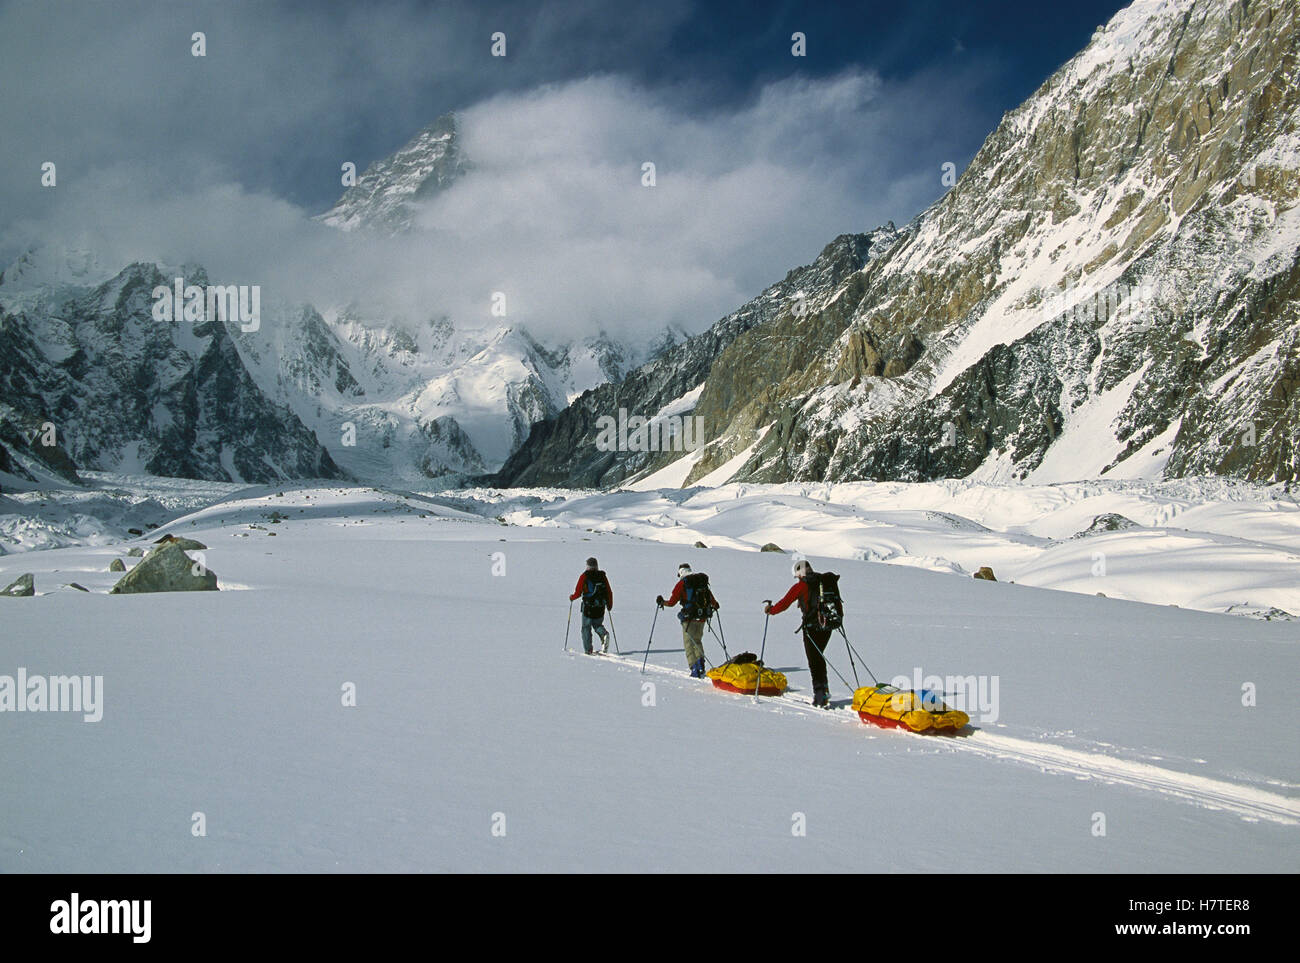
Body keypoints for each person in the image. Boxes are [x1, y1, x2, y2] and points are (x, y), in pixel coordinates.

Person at [764, 559, 833, 708]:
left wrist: (772, 610)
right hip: (827, 626)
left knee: (814, 660)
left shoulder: (802, 586)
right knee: (818, 657)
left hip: (812, 627)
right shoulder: (823, 582)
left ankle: (820, 695)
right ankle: (824, 690)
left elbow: (785, 602)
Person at [656, 563, 718, 678]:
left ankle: (694, 669)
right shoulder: (700, 581)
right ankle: (701, 665)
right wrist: (714, 605)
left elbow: (672, 602)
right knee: (697, 640)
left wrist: (662, 602)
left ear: (680, 572)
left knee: (689, 643)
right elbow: (712, 599)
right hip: (702, 617)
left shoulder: (682, 584)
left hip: (689, 618)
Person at [570, 557, 612, 654]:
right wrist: (609, 605)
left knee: (586, 628)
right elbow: (609, 591)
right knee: (597, 624)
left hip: (588, 607)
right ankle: (604, 634)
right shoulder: (602, 576)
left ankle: (588, 650)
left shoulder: (584, 576)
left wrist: (572, 597)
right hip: (600, 607)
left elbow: (578, 592)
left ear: (588, 566)